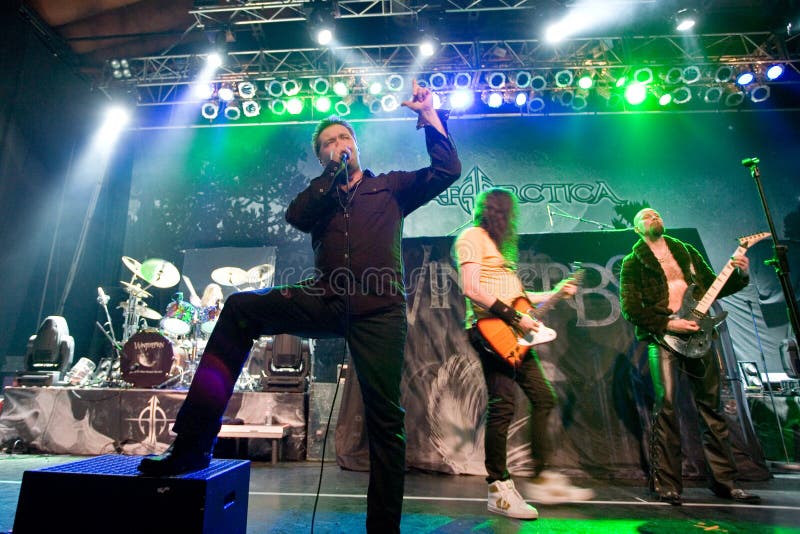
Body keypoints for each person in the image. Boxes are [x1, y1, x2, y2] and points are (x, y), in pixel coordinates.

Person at [138, 79, 461, 533]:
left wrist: (431, 118)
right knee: (239, 310)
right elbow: (295, 216)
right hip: (324, 298)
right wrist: (330, 177)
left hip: (379, 312)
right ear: (321, 156)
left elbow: (447, 170)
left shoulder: (389, 189)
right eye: (328, 143)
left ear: (357, 145)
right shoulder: (319, 197)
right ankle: (192, 445)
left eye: (343, 138)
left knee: (386, 420)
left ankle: (383, 528)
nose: (337, 145)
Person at [454, 188, 594, 520]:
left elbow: (518, 295)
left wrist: (555, 293)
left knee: (543, 398)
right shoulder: (471, 236)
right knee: (503, 404)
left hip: (510, 332)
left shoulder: (501, 251)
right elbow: (472, 288)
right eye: (508, 213)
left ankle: (542, 476)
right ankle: (499, 487)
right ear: (498, 212)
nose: (509, 220)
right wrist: (517, 317)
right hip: (489, 329)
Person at [619, 207, 761, 506]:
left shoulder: (685, 251)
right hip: (664, 337)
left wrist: (742, 271)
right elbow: (631, 309)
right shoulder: (633, 263)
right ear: (636, 229)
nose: (653, 217)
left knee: (712, 409)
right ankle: (667, 485)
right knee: (667, 406)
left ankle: (726, 482)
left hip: (698, 336)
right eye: (646, 216)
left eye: (656, 213)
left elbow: (715, 287)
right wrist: (668, 323)